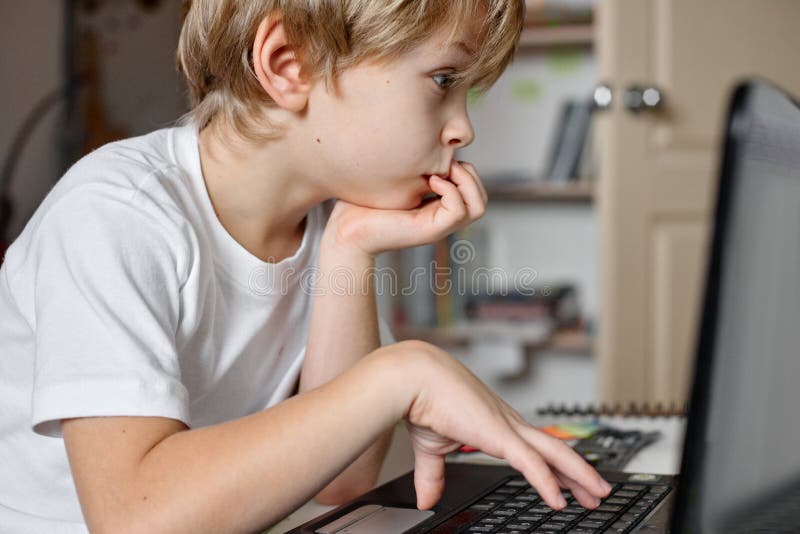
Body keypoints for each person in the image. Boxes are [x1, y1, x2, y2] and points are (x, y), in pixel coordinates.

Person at [0, 1, 611, 532]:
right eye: (443, 79)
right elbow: (135, 516)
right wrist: (406, 372)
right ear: (289, 64)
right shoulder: (117, 214)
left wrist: (350, 245)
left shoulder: (327, 219)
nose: (462, 130)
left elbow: (342, 481)